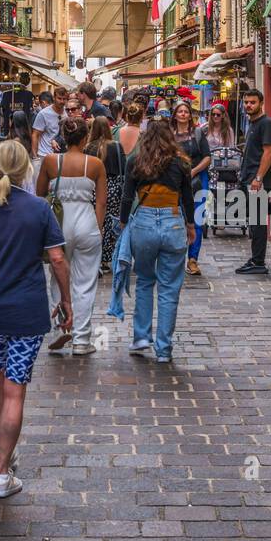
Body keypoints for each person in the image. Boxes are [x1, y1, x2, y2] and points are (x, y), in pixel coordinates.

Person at [0, 141, 71, 499]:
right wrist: (66, 300)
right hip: (26, 310)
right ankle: (1, 473)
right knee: (15, 389)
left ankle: (6, 451)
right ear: (25, 170)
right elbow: (57, 259)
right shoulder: (39, 208)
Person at [119, 120, 197, 364]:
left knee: (144, 280)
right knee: (169, 288)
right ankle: (164, 348)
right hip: (172, 220)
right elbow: (187, 197)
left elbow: (126, 196)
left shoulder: (135, 161)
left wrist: (123, 225)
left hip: (143, 222)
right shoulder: (181, 163)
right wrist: (191, 226)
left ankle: (141, 337)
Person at [37, 119, 107, 356]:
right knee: (85, 282)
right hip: (86, 220)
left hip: (58, 222)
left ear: (64, 138)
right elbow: (101, 201)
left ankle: (60, 329)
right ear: (85, 138)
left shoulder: (50, 161)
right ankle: (82, 339)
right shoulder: (95, 164)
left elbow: (40, 195)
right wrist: (97, 227)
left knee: (58, 277)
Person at [236, 89, 271, 278]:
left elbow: (268, 152)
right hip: (249, 179)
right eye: (246, 102)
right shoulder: (253, 123)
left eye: (252, 102)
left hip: (257, 182)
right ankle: (256, 259)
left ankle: (258, 261)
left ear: (261, 102)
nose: (248, 105)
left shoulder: (266, 124)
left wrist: (258, 178)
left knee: (258, 222)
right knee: (253, 220)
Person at [170, 102, 212, 277]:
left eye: (186, 111)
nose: (183, 114)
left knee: (197, 220)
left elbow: (207, 158)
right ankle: (176, 258)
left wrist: (194, 171)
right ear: (175, 115)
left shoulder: (198, 134)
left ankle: (193, 259)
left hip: (197, 180)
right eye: (180, 111)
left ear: (190, 115)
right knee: (176, 220)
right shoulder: (170, 136)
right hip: (175, 182)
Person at [84, 116, 126, 275]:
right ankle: (107, 258)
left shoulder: (89, 148)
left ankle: (95, 254)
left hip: (94, 186)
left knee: (95, 220)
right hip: (114, 187)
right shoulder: (116, 146)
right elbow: (124, 167)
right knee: (110, 221)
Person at [32, 84, 66, 162]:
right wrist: (35, 156)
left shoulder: (68, 111)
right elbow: (35, 134)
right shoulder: (43, 113)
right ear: (54, 98)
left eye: (64, 99)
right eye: (59, 98)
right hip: (45, 154)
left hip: (62, 155)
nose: (62, 101)